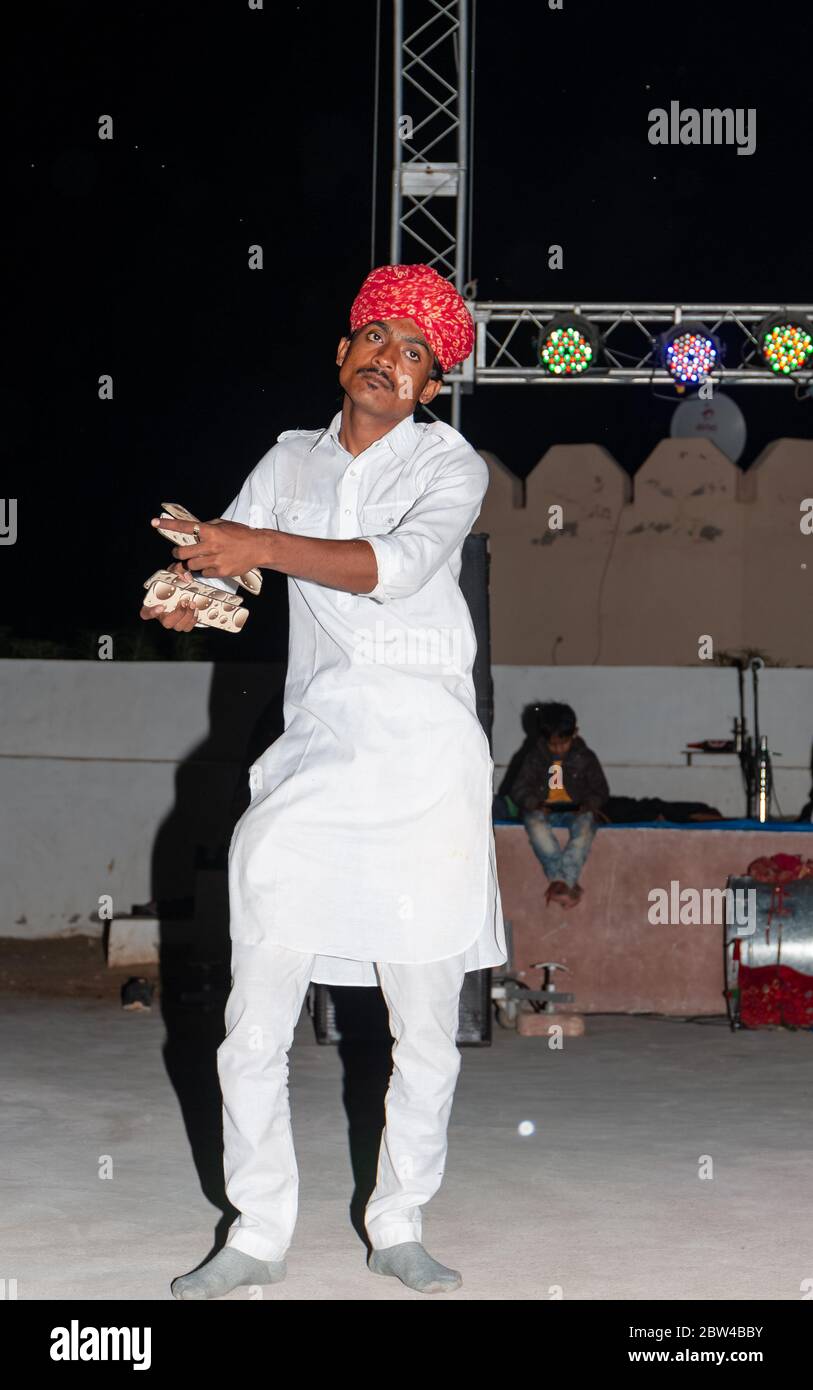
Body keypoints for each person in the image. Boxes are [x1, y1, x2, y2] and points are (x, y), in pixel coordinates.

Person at [140, 262, 506, 1299]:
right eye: (380, 338)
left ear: (433, 387)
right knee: (253, 1014)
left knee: (424, 1023)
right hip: (313, 757)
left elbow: (385, 568)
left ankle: (399, 1220)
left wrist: (247, 545)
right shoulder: (288, 458)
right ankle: (255, 1232)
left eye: (419, 355)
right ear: (342, 353)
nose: (394, 360)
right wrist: (187, 589)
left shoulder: (453, 465)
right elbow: (232, 575)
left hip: (428, 757)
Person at [508, 701, 609, 909]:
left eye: (563, 743)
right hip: (542, 810)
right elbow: (518, 789)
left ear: (575, 733)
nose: (558, 749)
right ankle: (566, 883)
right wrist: (534, 803)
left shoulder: (586, 757)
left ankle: (561, 881)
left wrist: (587, 804)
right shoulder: (534, 757)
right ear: (543, 739)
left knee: (586, 827)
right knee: (535, 826)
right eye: (552, 745)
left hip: (576, 810)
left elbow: (601, 791)